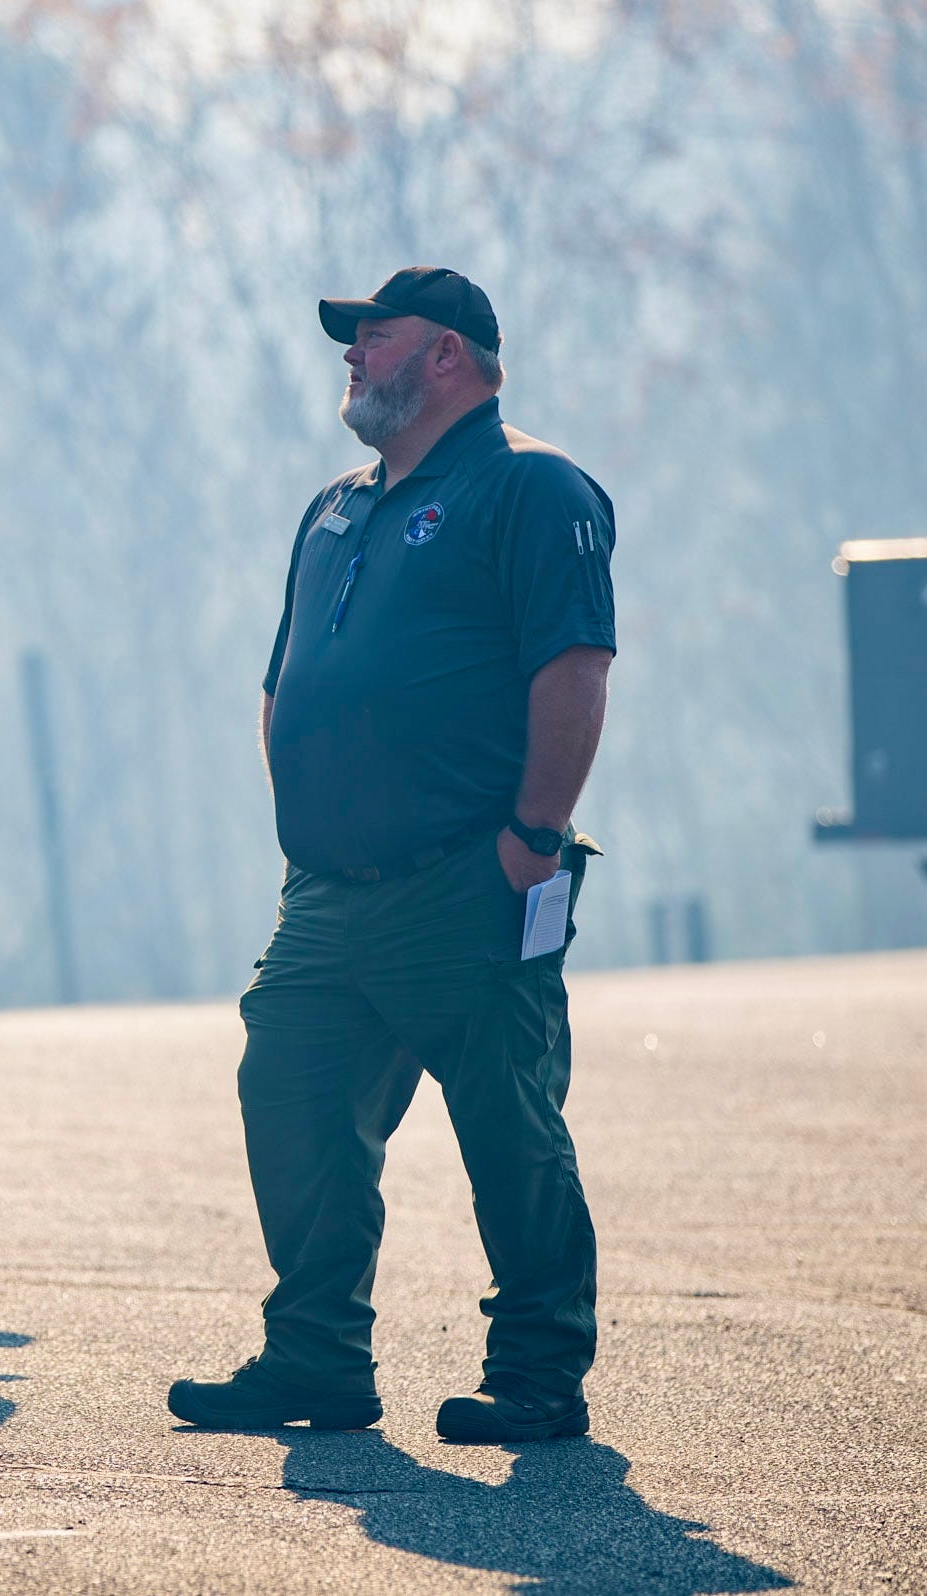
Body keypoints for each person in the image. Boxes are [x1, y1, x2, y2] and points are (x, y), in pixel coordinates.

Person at [170, 267, 617, 1443]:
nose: (352, 355)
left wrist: (530, 841)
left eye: (375, 338)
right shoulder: (334, 505)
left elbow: (570, 671)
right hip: (325, 896)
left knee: (508, 1128)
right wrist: (307, 832)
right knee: (287, 1089)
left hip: (462, 879)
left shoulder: (529, 487)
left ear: (449, 358)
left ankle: (534, 1374)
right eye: (350, 341)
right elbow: (285, 684)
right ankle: (312, 1358)